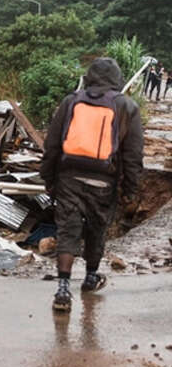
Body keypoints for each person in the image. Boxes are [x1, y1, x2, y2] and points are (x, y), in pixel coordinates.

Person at [40, 57, 142, 312]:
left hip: (68, 178)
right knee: (97, 229)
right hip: (104, 181)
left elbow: (52, 145)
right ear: (117, 79)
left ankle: (63, 289)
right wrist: (130, 190)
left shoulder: (71, 101)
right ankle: (90, 277)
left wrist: (48, 178)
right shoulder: (126, 106)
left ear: (89, 77)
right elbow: (133, 155)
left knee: (68, 231)